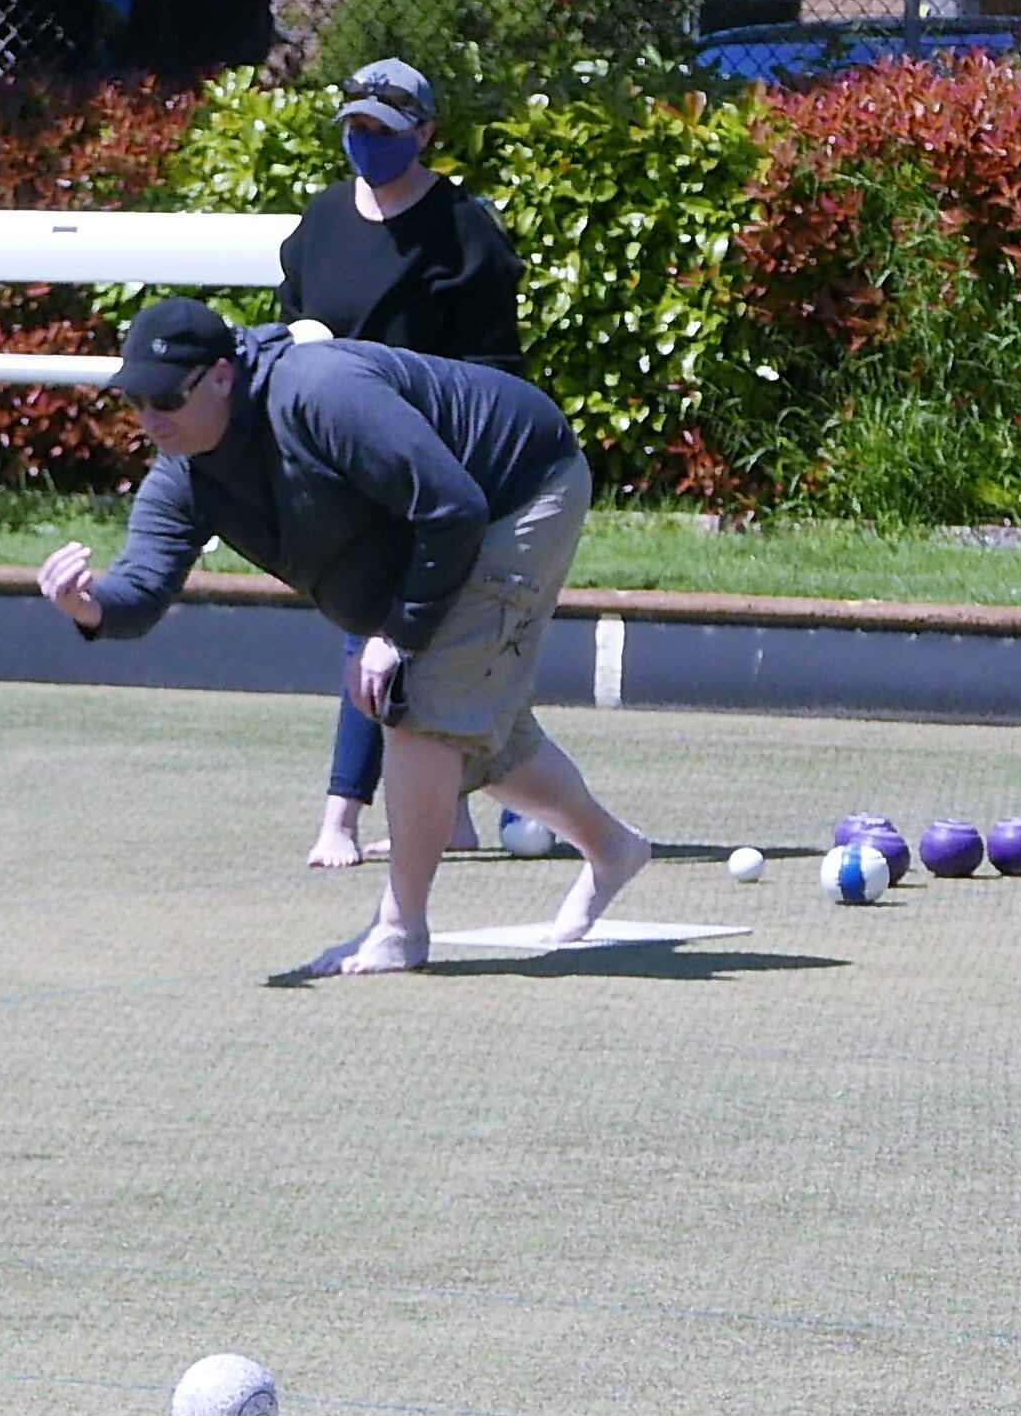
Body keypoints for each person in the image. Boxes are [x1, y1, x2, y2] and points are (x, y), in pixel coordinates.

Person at [35, 296, 651, 974]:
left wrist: (399, 634)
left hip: (520, 485)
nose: (151, 420)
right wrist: (90, 605)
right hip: (448, 525)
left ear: (220, 376)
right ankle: (614, 848)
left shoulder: (319, 393)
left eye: (165, 400)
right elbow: (143, 588)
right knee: (476, 734)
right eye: (137, 403)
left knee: (419, 703)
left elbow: (451, 505)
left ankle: (399, 928)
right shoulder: (184, 476)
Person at [281, 57, 530, 869]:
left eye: (382, 132)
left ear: (424, 134)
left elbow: (495, 368)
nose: (365, 143)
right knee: (402, 638)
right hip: (345, 462)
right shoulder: (319, 225)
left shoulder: (465, 230)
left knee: (384, 632)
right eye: (354, 128)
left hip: (434, 464)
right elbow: (296, 339)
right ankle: (447, 812)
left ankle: (340, 820)